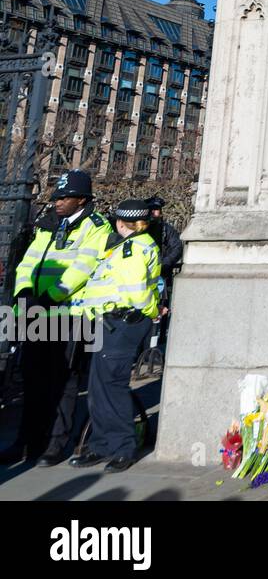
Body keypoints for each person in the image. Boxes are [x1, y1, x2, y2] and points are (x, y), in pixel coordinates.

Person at [1, 170, 111, 466]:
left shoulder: (95, 226)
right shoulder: (48, 222)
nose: (58, 202)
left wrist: (51, 294)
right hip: (37, 312)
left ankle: (54, 444)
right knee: (33, 381)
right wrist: (23, 291)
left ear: (82, 200)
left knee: (64, 382)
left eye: (64, 197)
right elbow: (29, 261)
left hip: (70, 314)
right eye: (56, 197)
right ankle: (26, 442)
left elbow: (83, 266)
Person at [68, 200, 162, 472]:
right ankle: (101, 445)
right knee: (99, 389)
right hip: (109, 322)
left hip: (122, 322)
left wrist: (152, 309)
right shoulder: (125, 245)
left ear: (121, 222)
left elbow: (135, 291)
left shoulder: (134, 247)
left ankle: (122, 447)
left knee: (112, 387)